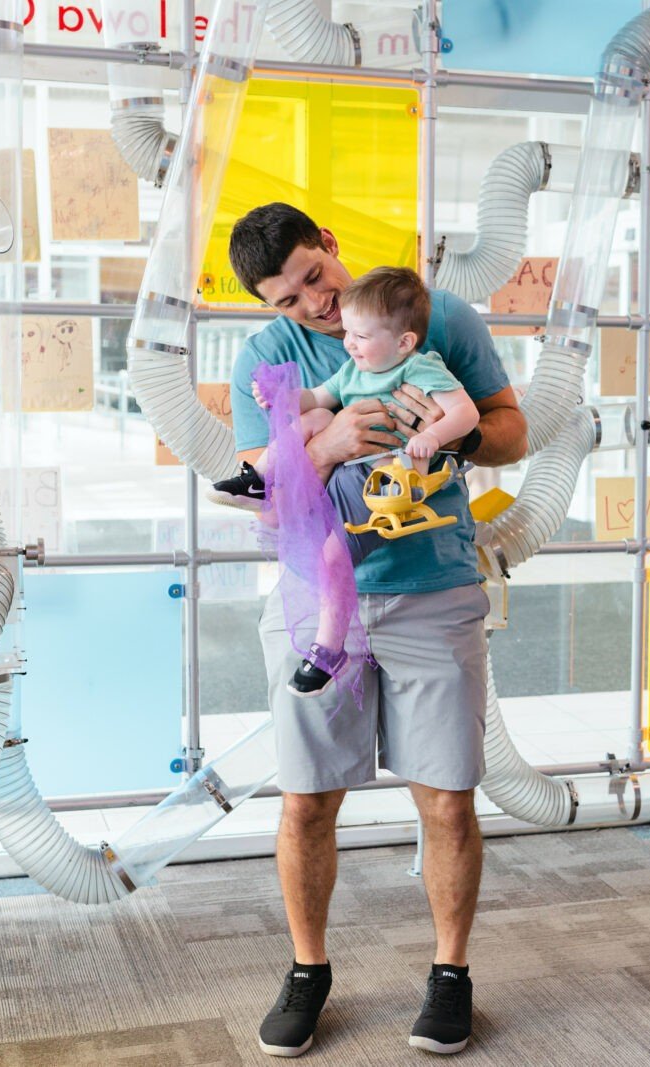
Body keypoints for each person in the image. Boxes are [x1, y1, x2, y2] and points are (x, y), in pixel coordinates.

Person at [225, 202, 526, 1058]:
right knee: (307, 799)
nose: (315, 305)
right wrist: (328, 445)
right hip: (317, 600)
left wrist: (448, 438)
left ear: (329, 244)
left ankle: (450, 973)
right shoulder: (266, 359)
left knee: (447, 797)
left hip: (433, 590)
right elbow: (258, 489)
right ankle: (307, 969)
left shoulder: (435, 316)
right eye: (289, 299)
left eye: (315, 278)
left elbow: (511, 431)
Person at [212, 266, 481, 698]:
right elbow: (316, 398)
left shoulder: (421, 368)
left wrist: (433, 436)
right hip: (347, 471)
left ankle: (328, 649)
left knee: (332, 556)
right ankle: (258, 478)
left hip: (384, 479)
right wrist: (283, 397)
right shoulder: (354, 370)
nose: (348, 343)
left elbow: (466, 413)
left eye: (360, 336)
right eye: (349, 334)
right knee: (318, 416)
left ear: (403, 342)